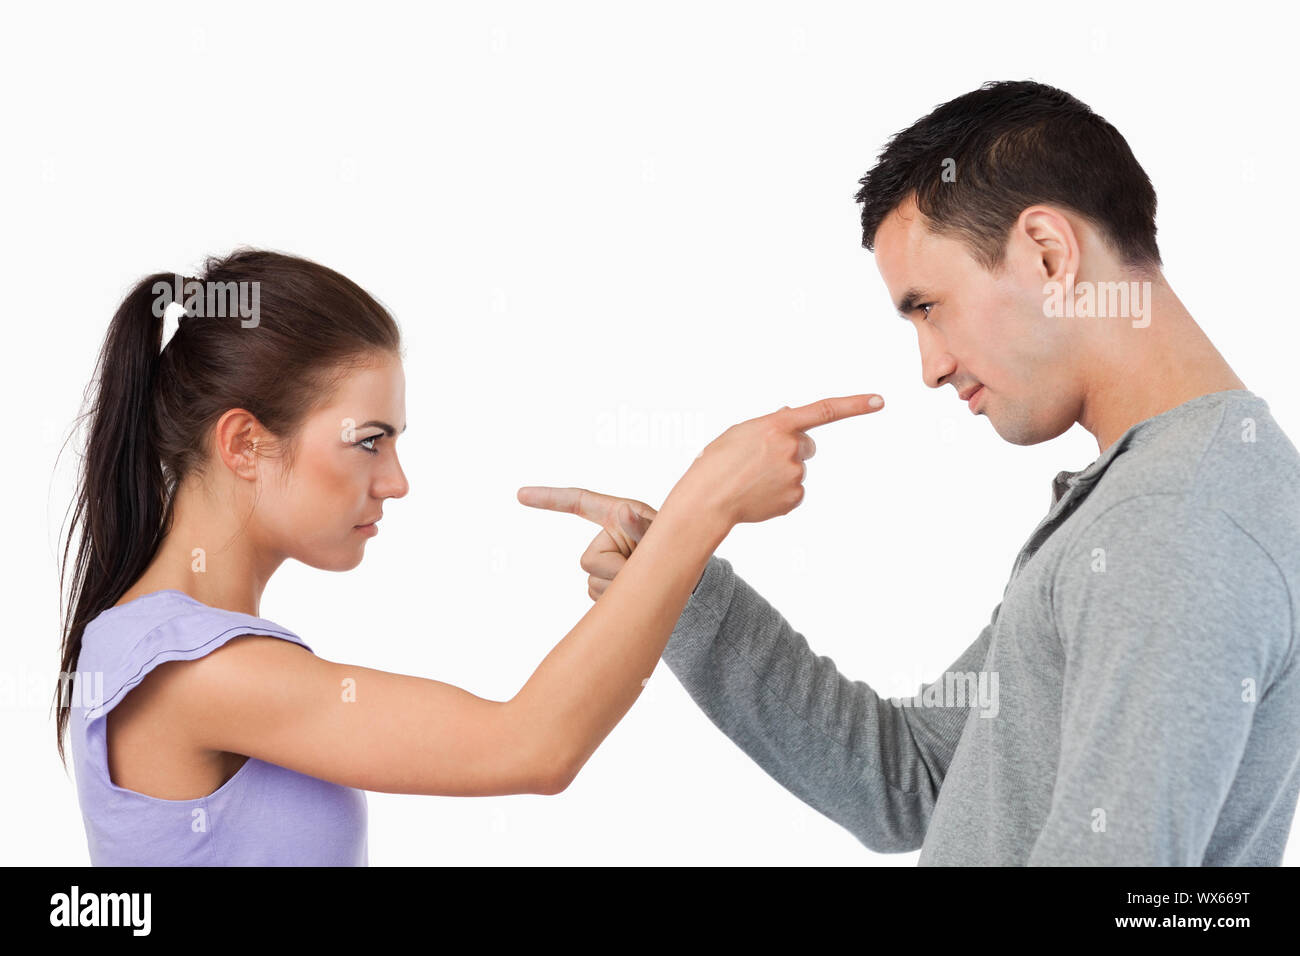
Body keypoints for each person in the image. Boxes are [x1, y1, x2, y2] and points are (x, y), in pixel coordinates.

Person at [522, 80, 1300, 865]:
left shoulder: (1172, 518)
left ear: (1048, 253)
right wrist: (678, 582)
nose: (930, 367)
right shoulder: (1168, 494)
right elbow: (918, 779)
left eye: (928, 306)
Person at [53, 246, 885, 865]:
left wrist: (671, 556)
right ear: (244, 443)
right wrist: (704, 505)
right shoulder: (188, 669)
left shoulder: (165, 647)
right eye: (369, 443)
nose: (397, 481)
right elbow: (531, 746)